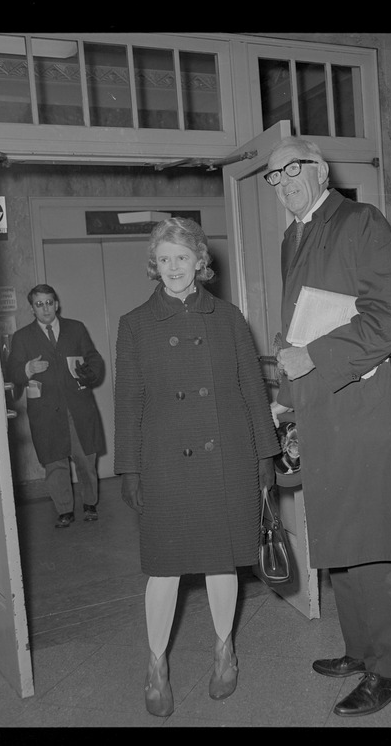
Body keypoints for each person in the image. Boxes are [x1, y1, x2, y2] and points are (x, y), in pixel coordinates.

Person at [266, 137, 391, 717]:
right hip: (323, 407)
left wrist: (311, 359)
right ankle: (360, 649)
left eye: (292, 170)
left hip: (366, 409)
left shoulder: (362, 221)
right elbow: (300, 325)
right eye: (273, 177)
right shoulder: (294, 235)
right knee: (342, 535)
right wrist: (286, 398)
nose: (283, 183)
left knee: (374, 539)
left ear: (319, 170)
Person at [114, 217, 279, 718]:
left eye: (181, 258)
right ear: (153, 265)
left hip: (226, 456)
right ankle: (156, 663)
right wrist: (130, 468)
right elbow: (129, 400)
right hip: (164, 459)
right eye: (163, 259)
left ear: (199, 262)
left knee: (220, 560)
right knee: (163, 568)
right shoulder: (135, 324)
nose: (172, 268)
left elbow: (253, 390)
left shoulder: (228, 318)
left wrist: (265, 456)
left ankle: (224, 648)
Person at [6, 284, 106, 528]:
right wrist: (28, 368)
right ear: (32, 309)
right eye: (39, 304)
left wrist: (88, 372)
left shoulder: (76, 328)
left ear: (57, 304)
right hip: (46, 412)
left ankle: (90, 503)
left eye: (49, 302)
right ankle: (64, 510)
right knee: (54, 463)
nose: (45, 308)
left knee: (85, 459)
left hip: (78, 408)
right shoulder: (22, 337)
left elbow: (94, 359)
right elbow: (11, 372)